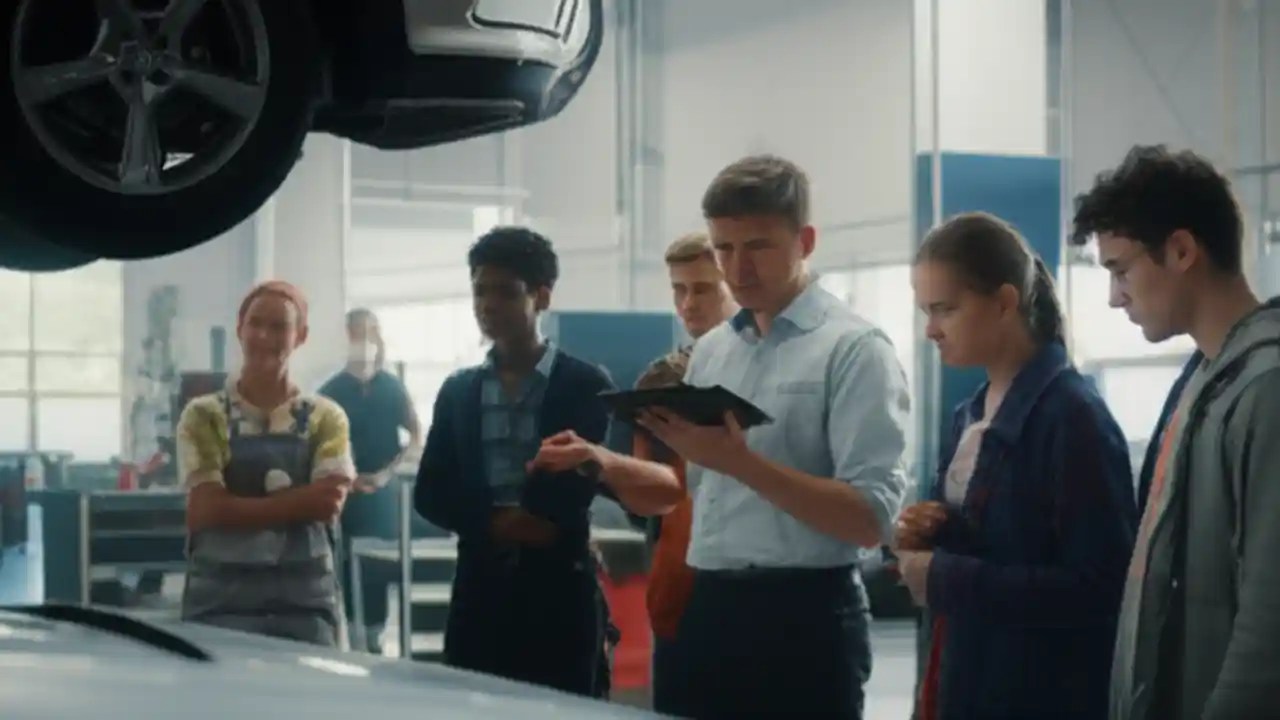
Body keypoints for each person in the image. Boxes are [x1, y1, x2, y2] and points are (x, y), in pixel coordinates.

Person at [637, 154, 911, 718]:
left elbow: (870, 519)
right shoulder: (712, 352)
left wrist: (742, 464)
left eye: (757, 246)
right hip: (708, 605)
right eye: (724, 249)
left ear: (805, 240)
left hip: (804, 618)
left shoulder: (854, 350)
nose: (737, 269)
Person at [414, 226, 677, 696]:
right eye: (479, 290)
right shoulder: (459, 392)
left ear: (541, 296)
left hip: (560, 590)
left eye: (505, 292)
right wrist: (498, 524)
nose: (488, 305)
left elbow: (580, 485)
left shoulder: (582, 383)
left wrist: (534, 520)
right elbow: (432, 491)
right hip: (479, 587)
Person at [895, 212, 1137, 720]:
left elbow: (1100, 588)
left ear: (1004, 302)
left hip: (1039, 694)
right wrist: (932, 531)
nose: (930, 330)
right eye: (925, 311)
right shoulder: (971, 413)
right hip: (967, 679)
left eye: (945, 309)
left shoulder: (1073, 417)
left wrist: (945, 576)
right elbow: (996, 545)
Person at [1070, 145, 1280, 720]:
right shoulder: (1208, 378)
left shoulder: (1266, 390)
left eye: (1120, 269)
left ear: (1182, 250)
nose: (1115, 297)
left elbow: (1270, 621)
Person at [178, 280, 356, 647]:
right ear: (239, 328)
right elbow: (204, 511)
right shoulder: (204, 415)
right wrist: (298, 502)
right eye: (256, 323)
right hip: (220, 605)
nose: (264, 336)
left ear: (300, 336)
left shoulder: (326, 416)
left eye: (279, 327)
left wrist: (233, 507)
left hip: (304, 607)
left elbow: (328, 503)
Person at [319, 308, 423, 653]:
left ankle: (376, 636)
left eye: (369, 334)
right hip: (346, 495)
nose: (363, 342)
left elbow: (416, 436)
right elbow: (317, 448)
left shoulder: (391, 387)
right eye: (356, 334)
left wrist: (387, 474)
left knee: (380, 566)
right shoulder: (331, 392)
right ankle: (356, 635)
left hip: (384, 492)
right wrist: (347, 480)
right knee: (347, 567)